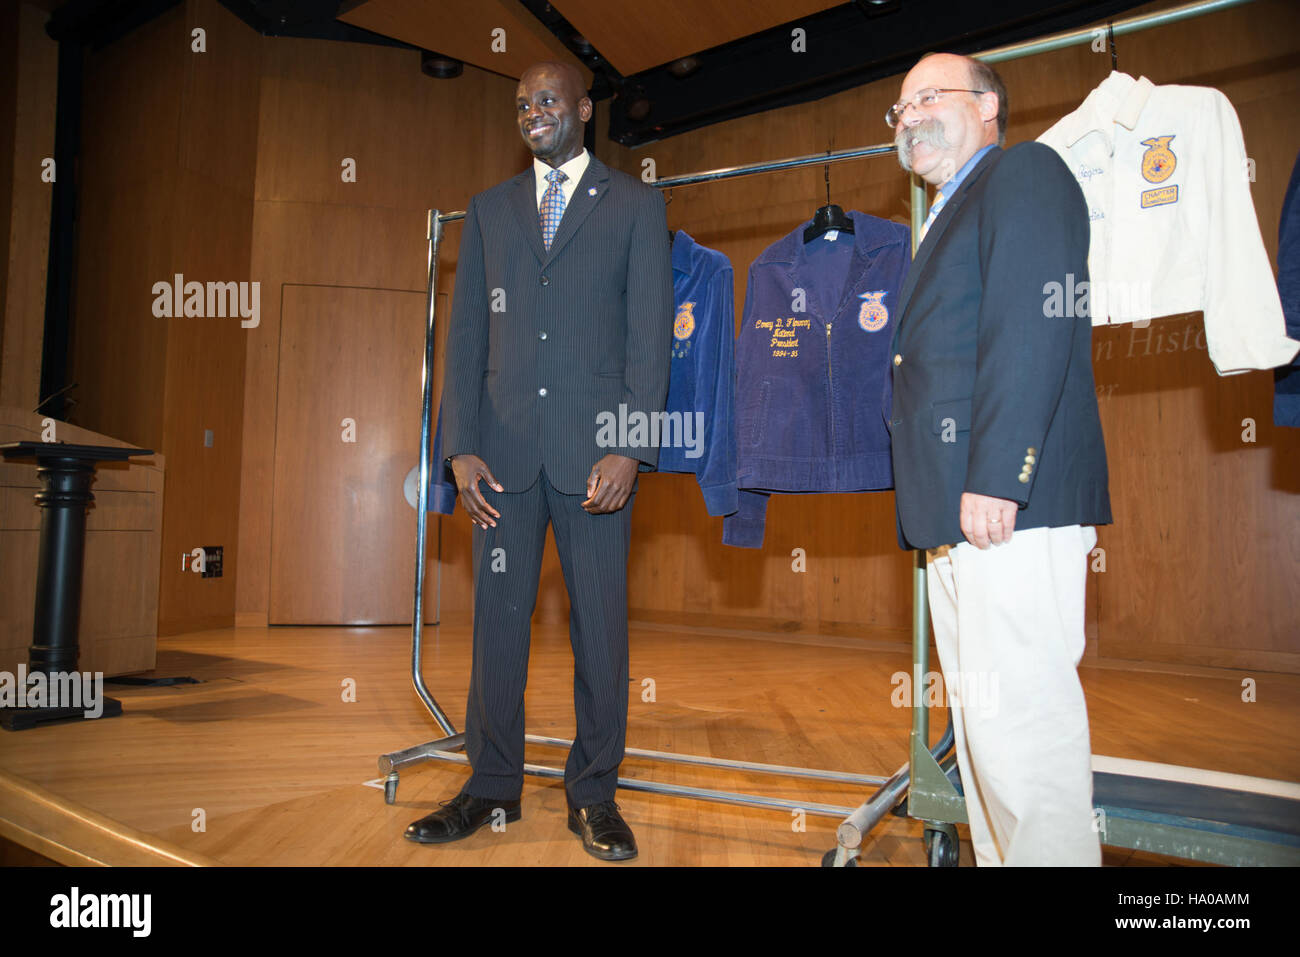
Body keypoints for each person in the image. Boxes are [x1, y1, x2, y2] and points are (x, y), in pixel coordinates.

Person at [404, 61, 673, 861]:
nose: (534, 111)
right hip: (501, 463)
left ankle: (593, 794)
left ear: (585, 109)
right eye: (522, 103)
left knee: (600, 633)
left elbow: (649, 338)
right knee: (495, 633)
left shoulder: (635, 204)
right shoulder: (487, 212)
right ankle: (490, 786)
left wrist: (629, 442)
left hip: (597, 462)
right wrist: (458, 447)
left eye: (548, 98)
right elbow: (466, 340)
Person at [885, 52, 1112, 865]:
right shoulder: (945, 213)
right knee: (986, 746)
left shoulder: (1025, 173)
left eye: (927, 98)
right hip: (961, 514)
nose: (908, 116)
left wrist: (996, 474)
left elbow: (1033, 325)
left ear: (987, 106)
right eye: (899, 109)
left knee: (1024, 739)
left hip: (1010, 504)